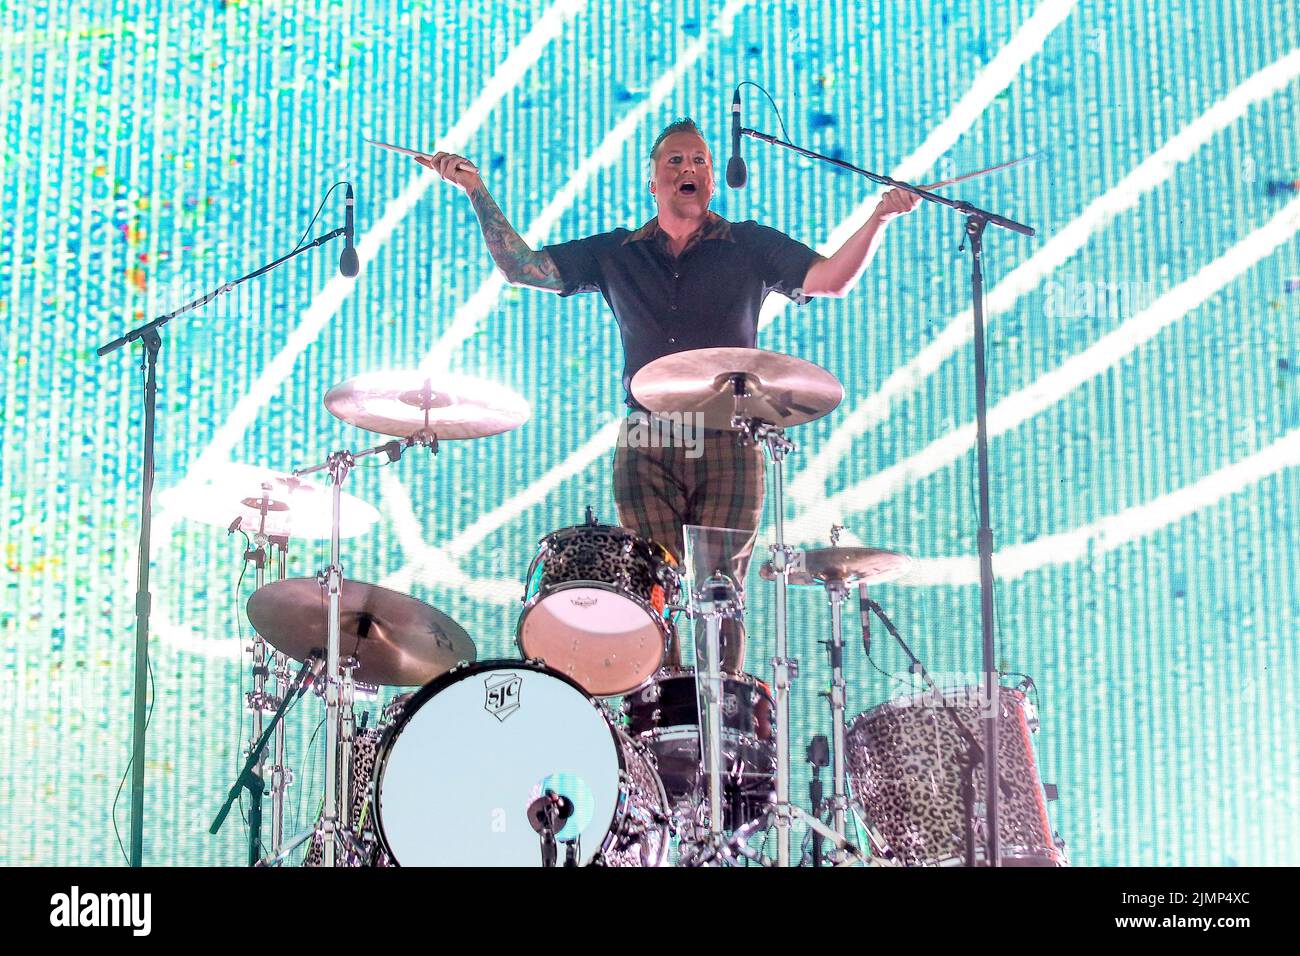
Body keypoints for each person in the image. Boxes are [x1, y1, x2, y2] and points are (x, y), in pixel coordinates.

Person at [418, 117, 917, 672]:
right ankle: (662, 733)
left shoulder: (749, 245)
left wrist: (878, 219)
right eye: (676, 161)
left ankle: (724, 730)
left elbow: (829, 279)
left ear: (710, 179)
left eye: (700, 161)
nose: (690, 168)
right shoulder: (616, 253)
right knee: (651, 594)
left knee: (720, 596)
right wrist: (475, 190)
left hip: (730, 438)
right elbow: (521, 267)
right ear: (651, 181)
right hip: (646, 439)